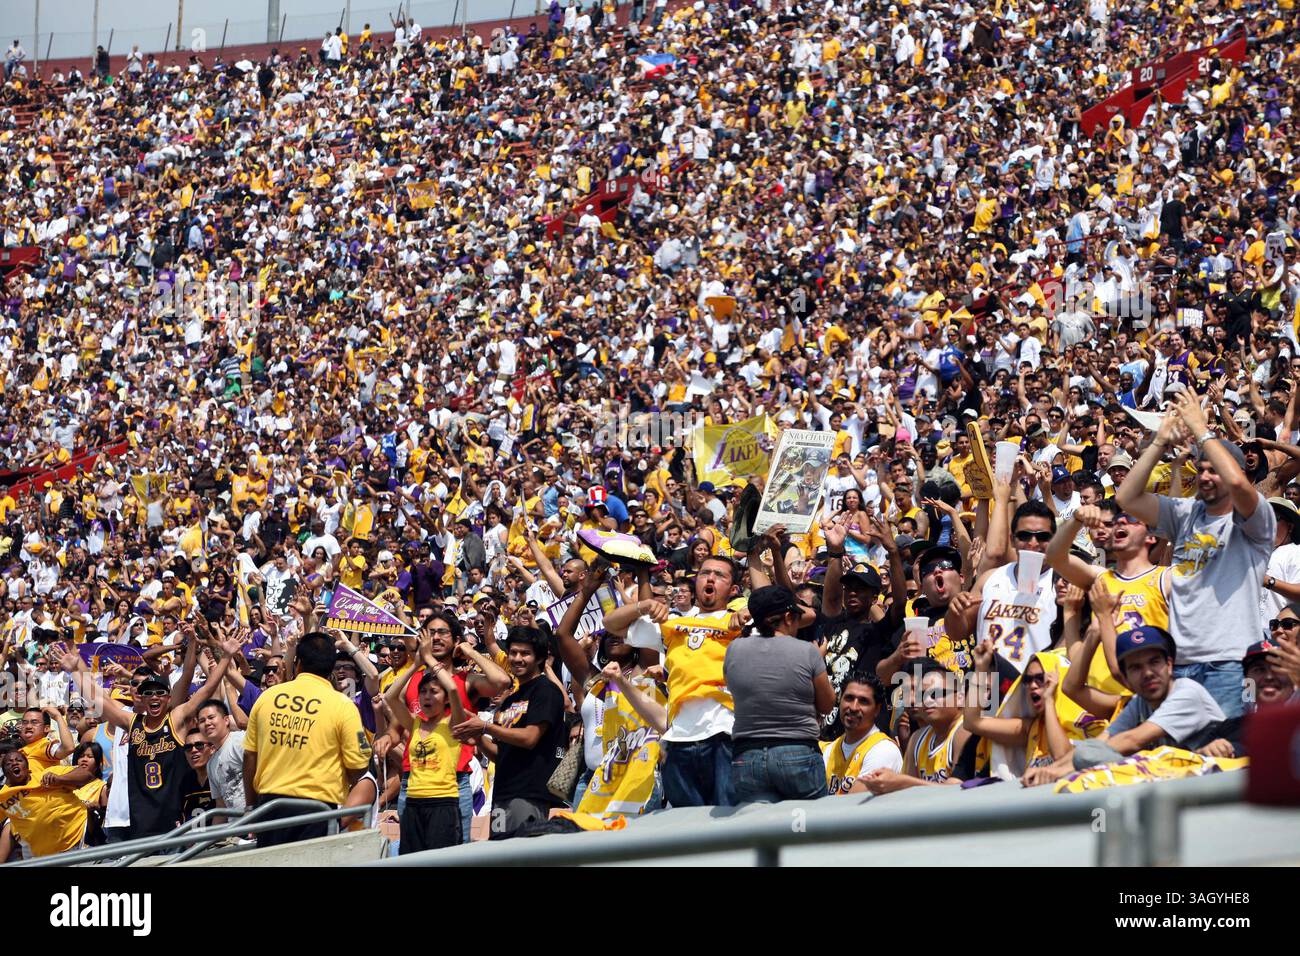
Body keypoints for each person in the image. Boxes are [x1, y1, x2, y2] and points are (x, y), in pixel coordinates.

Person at [1117, 394, 1275, 718]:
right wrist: (1160, 442)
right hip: (1181, 667)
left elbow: (1237, 481)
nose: (1205, 477)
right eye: (1201, 469)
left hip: (1233, 666)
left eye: (1213, 469)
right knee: (1181, 761)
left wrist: (1202, 430)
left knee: (1228, 757)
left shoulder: (1255, 519)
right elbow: (1126, 496)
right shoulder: (1185, 513)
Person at [242, 631, 373, 847]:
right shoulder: (342, 705)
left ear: (298, 663)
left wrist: (250, 807)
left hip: (270, 810)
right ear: (331, 668)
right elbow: (359, 768)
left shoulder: (268, 697)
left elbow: (249, 757)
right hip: (317, 813)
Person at [451, 626, 565, 837]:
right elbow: (498, 755)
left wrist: (485, 726)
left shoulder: (546, 690)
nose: (517, 658)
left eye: (525, 653)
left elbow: (530, 737)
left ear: (540, 658)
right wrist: (478, 738)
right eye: (513, 652)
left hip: (529, 794)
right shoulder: (509, 700)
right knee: (500, 854)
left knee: (522, 857)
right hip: (502, 794)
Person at [724, 585, 834, 803]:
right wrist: (818, 661)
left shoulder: (734, 649)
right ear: (787, 617)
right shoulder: (807, 651)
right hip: (798, 752)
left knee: (759, 833)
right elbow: (827, 705)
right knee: (807, 829)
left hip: (747, 756)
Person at [383, 635, 466, 853]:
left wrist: (429, 659)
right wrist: (415, 665)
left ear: (445, 698)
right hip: (412, 803)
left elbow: (455, 689)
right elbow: (391, 697)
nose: (427, 697)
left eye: (434, 691)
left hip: (442, 804)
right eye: (423, 691)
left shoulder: (454, 724)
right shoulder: (414, 723)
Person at [0, 744, 95, 858]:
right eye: (8, 763)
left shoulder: (48, 774)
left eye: (19, 760)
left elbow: (86, 775)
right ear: (4, 772)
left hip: (79, 840)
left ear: (27, 767)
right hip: (47, 857)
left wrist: (60, 779)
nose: (14, 763)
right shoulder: (2, 797)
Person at [823, 672, 903, 795]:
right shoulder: (830, 750)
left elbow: (854, 806)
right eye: (849, 698)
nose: (854, 707)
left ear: (877, 709)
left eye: (863, 701)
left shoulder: (883, 750)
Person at [196, 699, 246, 815]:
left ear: (226, 720)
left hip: (256, 822)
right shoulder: (210, 764)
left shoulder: (240, 741)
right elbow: (221, 806)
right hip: (234, 827)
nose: (207, 723)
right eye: (202, 720)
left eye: (211, 717)